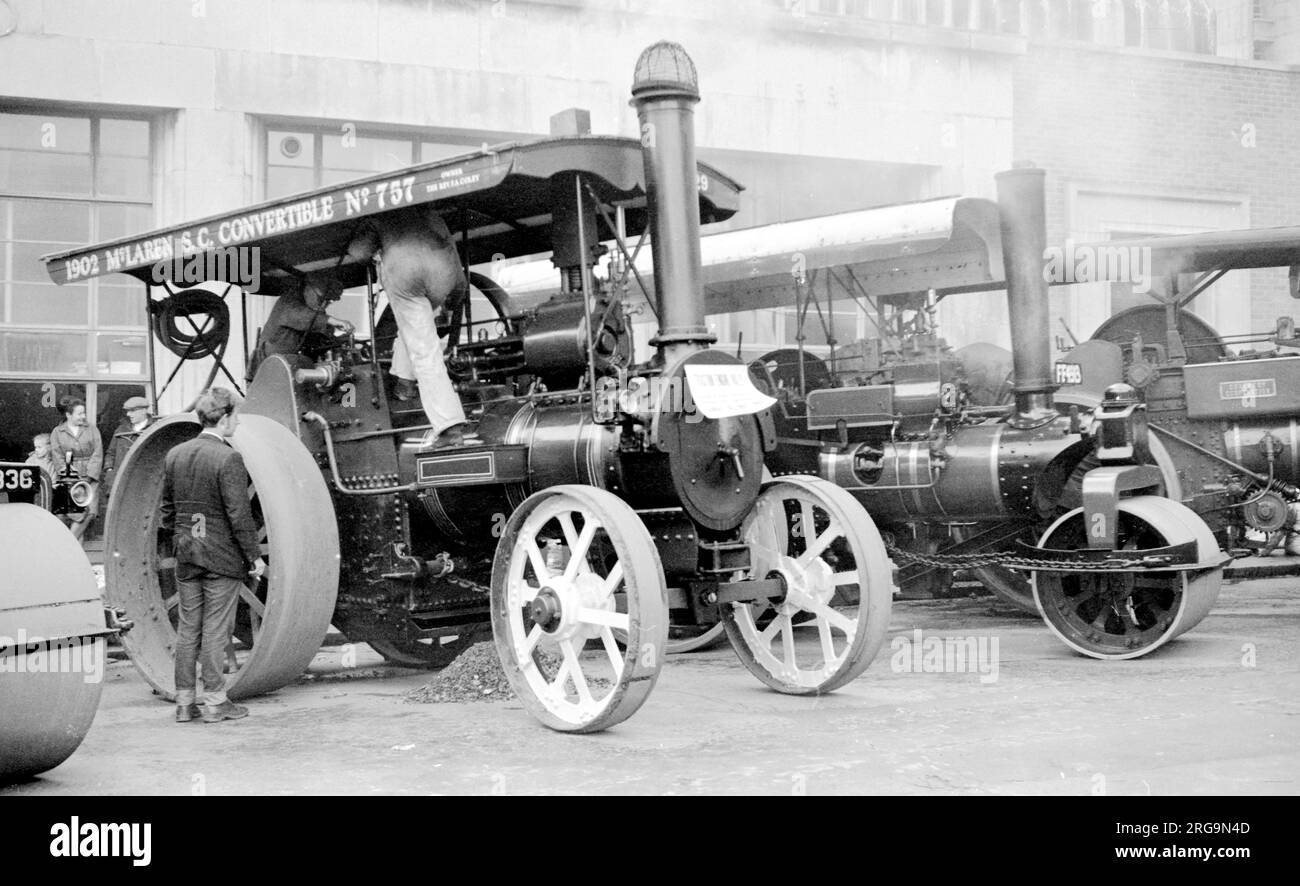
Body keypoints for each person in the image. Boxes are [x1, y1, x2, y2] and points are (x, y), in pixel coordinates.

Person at [159, 387, 265, 724]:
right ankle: (216, 702)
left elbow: (166, 513)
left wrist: (183, 539)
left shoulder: (175, 454)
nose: (237, 422)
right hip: (221, 558)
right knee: (217, 630)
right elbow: (239, 516)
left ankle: (184, 703)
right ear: (224, 417)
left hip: (187, 555)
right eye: (235, 415)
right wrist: (254, 558)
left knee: (190, 629)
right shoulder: (228, 458)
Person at [347, 207, 469, 447]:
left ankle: (449, 428)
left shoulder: (379, 213)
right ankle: (404, 383)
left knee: (424, 351)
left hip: (405, 274)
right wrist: (456, 294)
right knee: (415, 330)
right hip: (446, 272)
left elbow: (357, 252)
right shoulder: (431, 211)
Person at [247, 274, 354, 381]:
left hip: (291, 367)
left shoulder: (313, 309)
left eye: (329, 301)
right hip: (269, 369)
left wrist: (338, 340)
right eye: (322, 299)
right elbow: (300, 316)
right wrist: (331, 320)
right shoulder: (288, 302)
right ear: (308, 289)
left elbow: (318, 335)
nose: (324, 305)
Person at [49, 396, 103, 542]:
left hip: (90, 478)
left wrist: (89, 476)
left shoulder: (92, 429)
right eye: (79, 414)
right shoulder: (57, 432)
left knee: (89, 512)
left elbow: (98, 454)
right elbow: (57, 457)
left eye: (83, 413)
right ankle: (73, 548)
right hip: (68, 478)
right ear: (68, 415)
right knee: (70, 514)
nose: (83, 416)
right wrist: (71, 477)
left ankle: (69, 543)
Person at [103, 396, 155, 495]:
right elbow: (110, 453)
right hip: (120, 481)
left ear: (143, 411)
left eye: (132, 411)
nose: (128, 414)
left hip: (143, 484)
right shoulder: (121, 430)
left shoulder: (153, 429)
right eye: (127, 411)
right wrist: (110, 471)